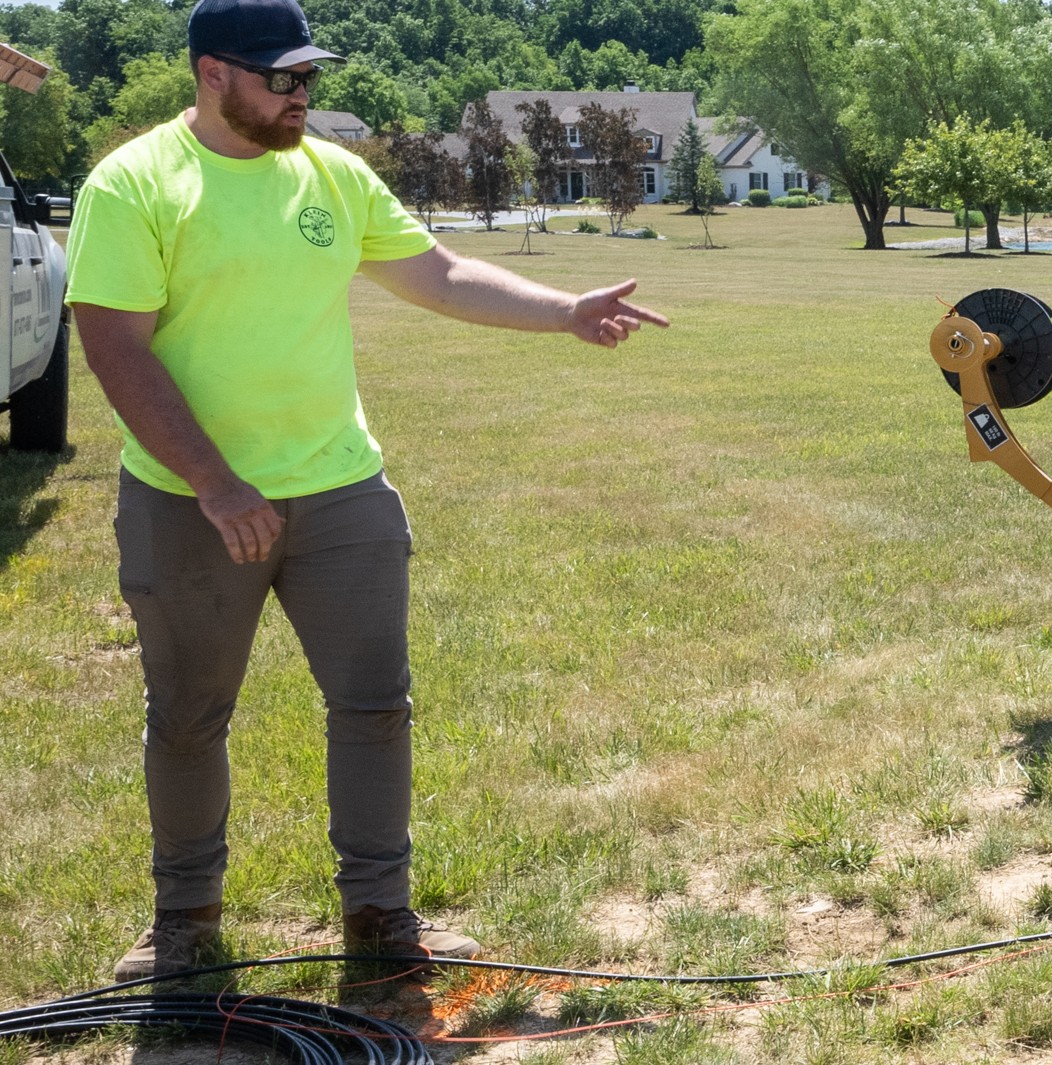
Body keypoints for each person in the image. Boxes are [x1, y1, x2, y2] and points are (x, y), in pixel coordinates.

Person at [67, 0, 672, 982]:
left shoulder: (332, 175)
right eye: (282, 78)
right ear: (213, 73)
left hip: (341, 488)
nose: (302, 95)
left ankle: (381, 918)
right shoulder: (134, 183)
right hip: (190, 503)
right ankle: (184, 921)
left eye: (310, 77)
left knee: (375, 705)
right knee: (187, 715)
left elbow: (439, 274)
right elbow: (114, 349)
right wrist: (216, 483)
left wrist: (565, 311)